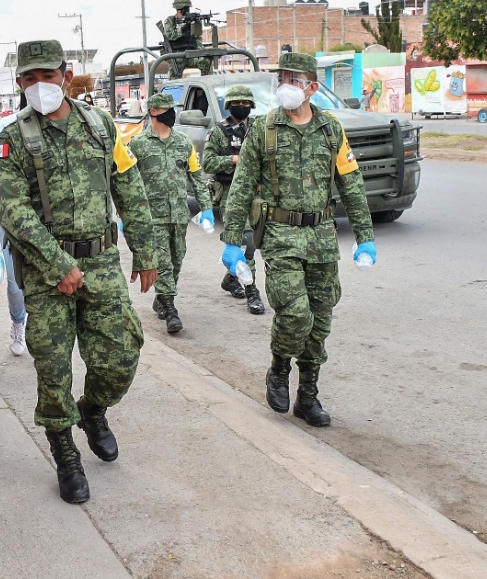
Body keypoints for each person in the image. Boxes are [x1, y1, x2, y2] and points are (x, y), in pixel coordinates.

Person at [0, 39, 158, 504]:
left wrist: (146, 253)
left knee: (119, 358)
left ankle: (93, 410)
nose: (40, 84)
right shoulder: (12, 139)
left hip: (102, 263)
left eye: (48, 75)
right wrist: (57, 263)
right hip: (48, 274)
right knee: (53, 367)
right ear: (20, 82)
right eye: (30, 77)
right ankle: (64, 450)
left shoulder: (102, 126)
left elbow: (129, 188)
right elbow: (12, 210)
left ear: (66, 75)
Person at [221, 52, 376, 429]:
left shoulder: (331, 130)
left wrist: (365, 237)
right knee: (295, 315)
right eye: (282, 78)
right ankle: (278, 368)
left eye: (293, 78)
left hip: (322, 238)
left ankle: (308, 396)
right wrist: (231, 241)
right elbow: (241, 186)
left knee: (320, 321)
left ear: (312, 85)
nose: (286, 86)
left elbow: (351, 184)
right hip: (281, 236)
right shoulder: (264, 128)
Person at [127, 93, 213, 334]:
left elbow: (196, 176)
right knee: (163, 262)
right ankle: (171, 309)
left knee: (176, 260)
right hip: (152, 217)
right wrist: (127, 215)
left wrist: (206, 208)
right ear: (154, 112)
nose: (171, 113)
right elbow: (129, 182)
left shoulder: (183, 143)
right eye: (167, 109)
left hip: (178, 215)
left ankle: (161, 298)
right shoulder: (138, 144)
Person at [202, 84, 265, 315]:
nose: (242, 107)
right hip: (230, 194)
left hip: (257, 193)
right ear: (229, 106)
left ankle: (231, 278)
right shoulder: (219, 131)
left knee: (257, 241)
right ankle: (252, 292)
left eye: (246, 103)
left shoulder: (258, 127)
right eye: (238, 103)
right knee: (245, 241)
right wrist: (234, 160)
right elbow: (207, 163)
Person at [0, 119, 29, 357]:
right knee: (12, 283)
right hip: (4, 223)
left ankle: (26, 324)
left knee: (27, 285)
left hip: (37, 223)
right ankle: (18, 323)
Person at [160, 0, 212, 78]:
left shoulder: (192, 21)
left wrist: (201, 52)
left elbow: (197, 39)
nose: (188, 10)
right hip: (177, 55)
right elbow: (170, 36)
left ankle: (204, 83)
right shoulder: (170, 20)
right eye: (187, 8)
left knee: (205, 61)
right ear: (180, 9)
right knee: (175, 78)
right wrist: (183, 28)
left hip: (191, 54)